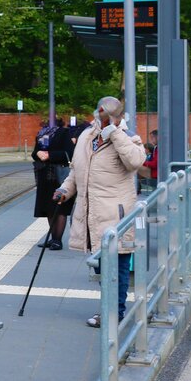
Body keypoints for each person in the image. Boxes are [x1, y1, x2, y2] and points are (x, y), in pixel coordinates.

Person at [54, 96, 145, 328]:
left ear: (118, 117)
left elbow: (135, 162)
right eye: (100, 114)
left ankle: (114, 313)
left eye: (107, 116)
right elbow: (77, 170)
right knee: (104, 266)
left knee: (118, 264)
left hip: (116, 213)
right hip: (92, 212)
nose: (101, 119)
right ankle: (109, 309)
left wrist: (114, 133)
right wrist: (65, 189)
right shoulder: (87, 135)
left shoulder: (129, 137)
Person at [31, 117, 73, 249]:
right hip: (44, 175)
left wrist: (50, 155)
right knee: (48, 207)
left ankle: (58, 240)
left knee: (59, 207)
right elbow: (34, 152)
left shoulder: (64, 133)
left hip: (59, 175)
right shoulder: (42, 134)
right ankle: (53, 237)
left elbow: (69, 153)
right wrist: (38, 153)